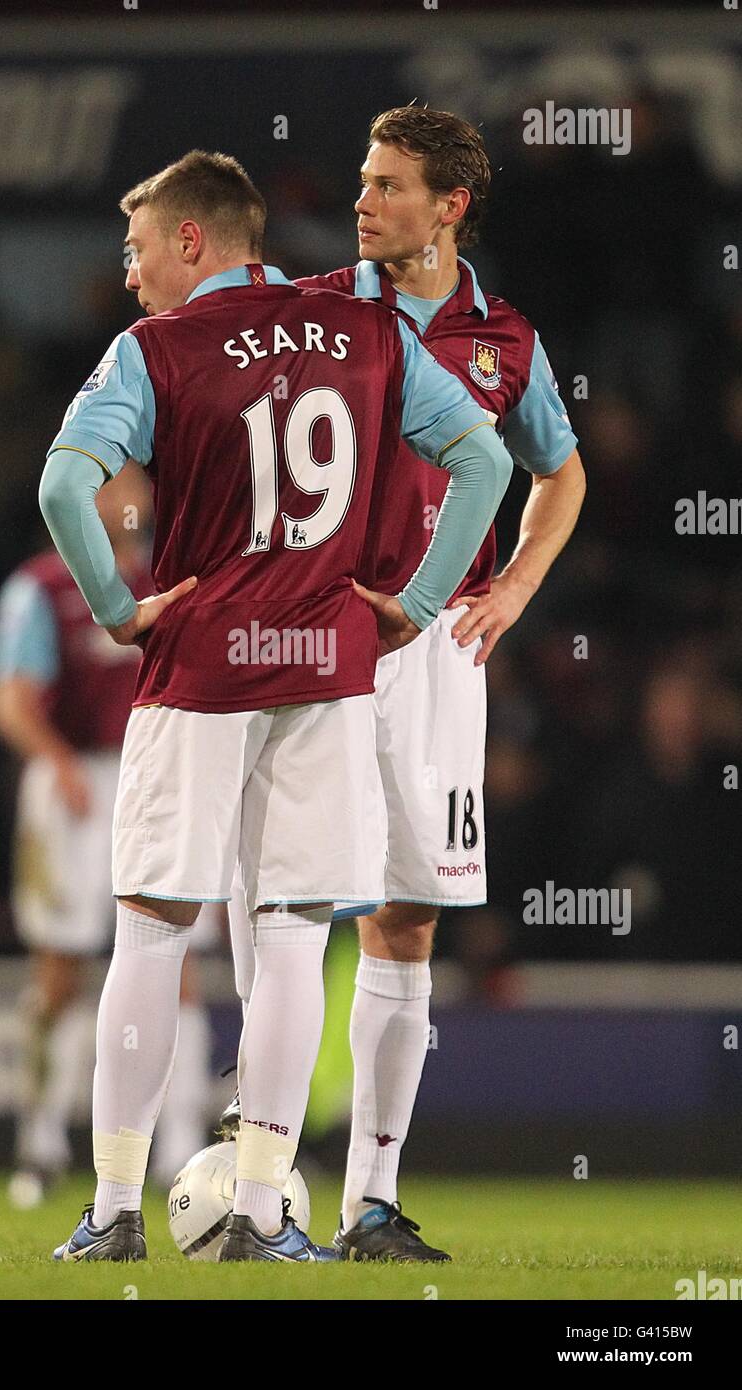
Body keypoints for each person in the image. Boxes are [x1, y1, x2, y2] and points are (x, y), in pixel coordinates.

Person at [38, 149, 515, 1263]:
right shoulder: (368, 330)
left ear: (190, 241)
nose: (128, 274)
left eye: (137, 248)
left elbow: (64, 484)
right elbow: (483, 461)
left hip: (201, 665)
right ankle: (261, 1212)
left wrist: (119, 605)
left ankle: (111, 1211)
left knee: (155, 927)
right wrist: (419, 601)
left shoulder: (154, 349)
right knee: (293, 933)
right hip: (328, 670)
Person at [225, 107, 586, 1261]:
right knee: (283, 903)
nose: (363, 202)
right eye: (363, 181)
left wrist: (518, 585)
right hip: (322, 631)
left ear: (448, 208)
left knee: (409, 912)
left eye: (386, 185)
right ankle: (259, 1181)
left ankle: (370, 1201)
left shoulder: (504, 341)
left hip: (436, 656)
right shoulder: (318, 310)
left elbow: (559, 473)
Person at [0, 484, 213, 1206]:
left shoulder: (174, 574)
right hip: (72, 782)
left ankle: (180, 1145)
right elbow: (10, 699)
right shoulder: (42, 587)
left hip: (154, 773)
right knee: (61, 965)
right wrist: (54, 761)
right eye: (113, 475)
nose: (132, 491)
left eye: (139, 476)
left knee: (175, 959)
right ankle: (41, 1141)